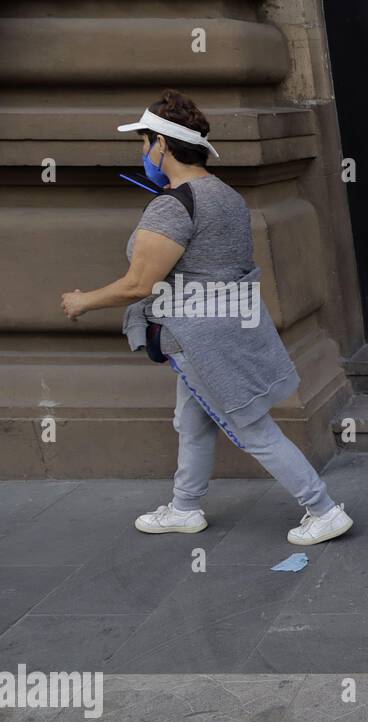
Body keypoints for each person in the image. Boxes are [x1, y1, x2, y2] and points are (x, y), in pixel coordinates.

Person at [59, 90, 353, 546]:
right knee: (192, 421)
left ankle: (323, 509)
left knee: (252, 427)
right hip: (226, 328)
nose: (142, 153)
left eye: (144, 143)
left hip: (200, 337)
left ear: (162, 144)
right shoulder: (224, 194)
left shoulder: (174, 205)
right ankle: (184, 506)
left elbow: (139, 283)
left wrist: (84, 301)